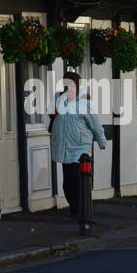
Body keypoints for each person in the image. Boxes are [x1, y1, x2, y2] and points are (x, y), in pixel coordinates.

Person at [50, 71, 108, 217]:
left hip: (80, 147)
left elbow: (95, 124)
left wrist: (102, 142)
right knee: (67, 182)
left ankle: (81, 209)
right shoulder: (58, 98)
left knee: (77, 178)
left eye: (70, 85)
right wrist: (53, 111)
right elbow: (50, 113)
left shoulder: (85, 102)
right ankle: (76, 207)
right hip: (64, 146)